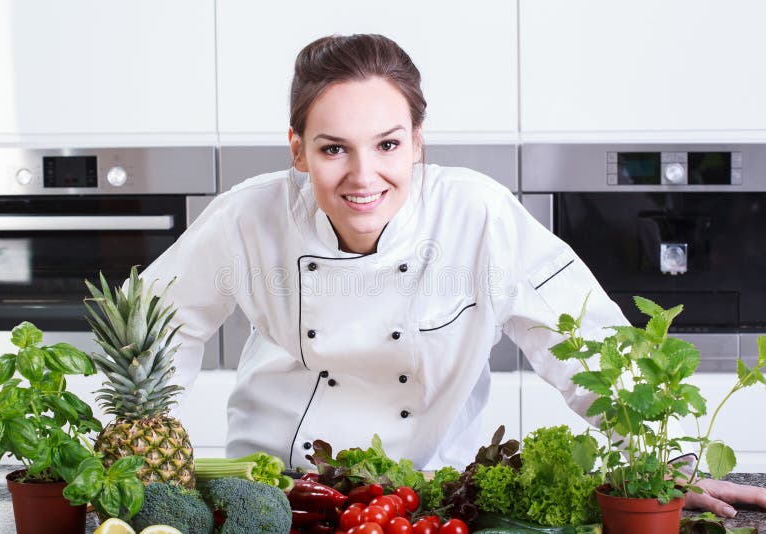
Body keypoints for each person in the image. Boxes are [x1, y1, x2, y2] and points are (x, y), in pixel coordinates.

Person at [140, 33, 766, 518]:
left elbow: (584, 342)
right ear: (297, 150)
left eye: (387, 144)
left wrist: (658, 461)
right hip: (277, 496)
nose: (363, 176)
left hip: (430, 497)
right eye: (333, 148)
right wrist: (140, 457)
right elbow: (157, 327)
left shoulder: (477, 215)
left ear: (417, 142)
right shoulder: (249, 217)